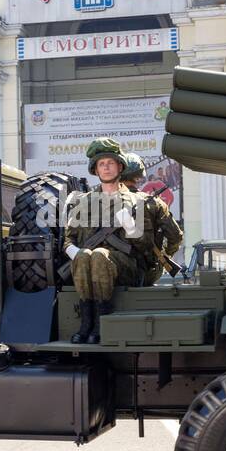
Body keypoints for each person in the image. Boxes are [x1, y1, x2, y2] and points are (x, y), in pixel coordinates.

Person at [64, 138, 147, 344]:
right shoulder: (83, 202)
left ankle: (101, 322)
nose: (106, 167)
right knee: (86, 255)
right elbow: (68, 240)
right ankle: (86, 324)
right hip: (89, 265)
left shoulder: (137, 201)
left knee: (100, 255)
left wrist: (130, 227)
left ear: (120, 167)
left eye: (110, 163)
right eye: (101, 164)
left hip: (126, 267)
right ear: (95, 170)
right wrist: (76, 253)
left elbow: (145, 247)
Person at [120, 152, 182, 285]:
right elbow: (175, 236)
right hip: (150, 271)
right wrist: (164, 255)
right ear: (138, 177)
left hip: (114, 272)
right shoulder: (155, 203)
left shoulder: (106, 203)